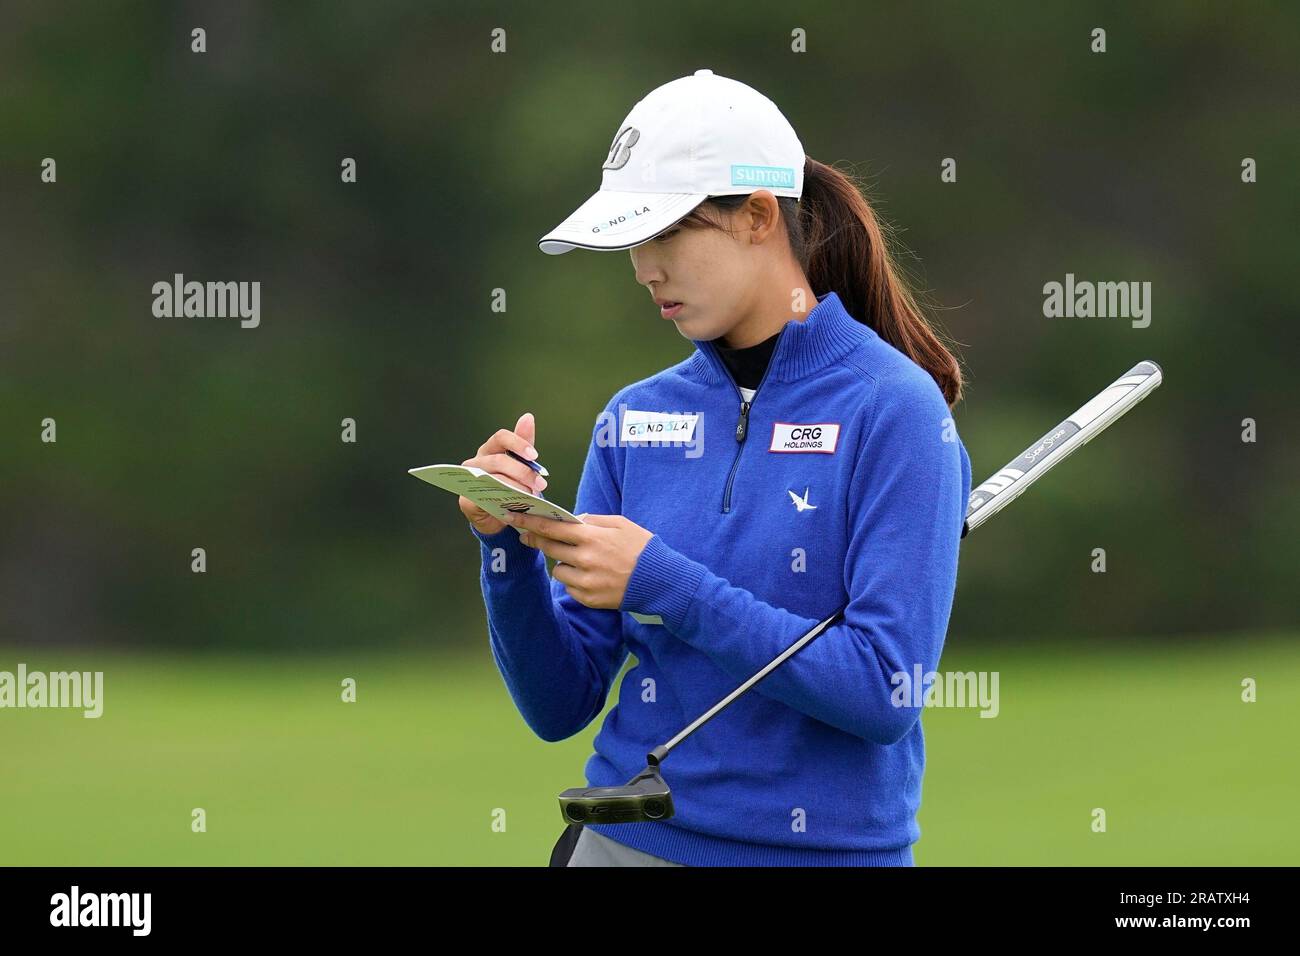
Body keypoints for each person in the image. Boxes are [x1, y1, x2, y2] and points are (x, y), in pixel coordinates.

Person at [459, 69, 971, 867]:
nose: (643, 269)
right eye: (634, 243)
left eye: (666, 235)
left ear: (759, 215)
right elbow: (560, 704)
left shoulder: (894, 411)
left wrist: (663, 581)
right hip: (623, 846)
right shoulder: (633, 419)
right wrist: (505, 548)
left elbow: (881, 693)